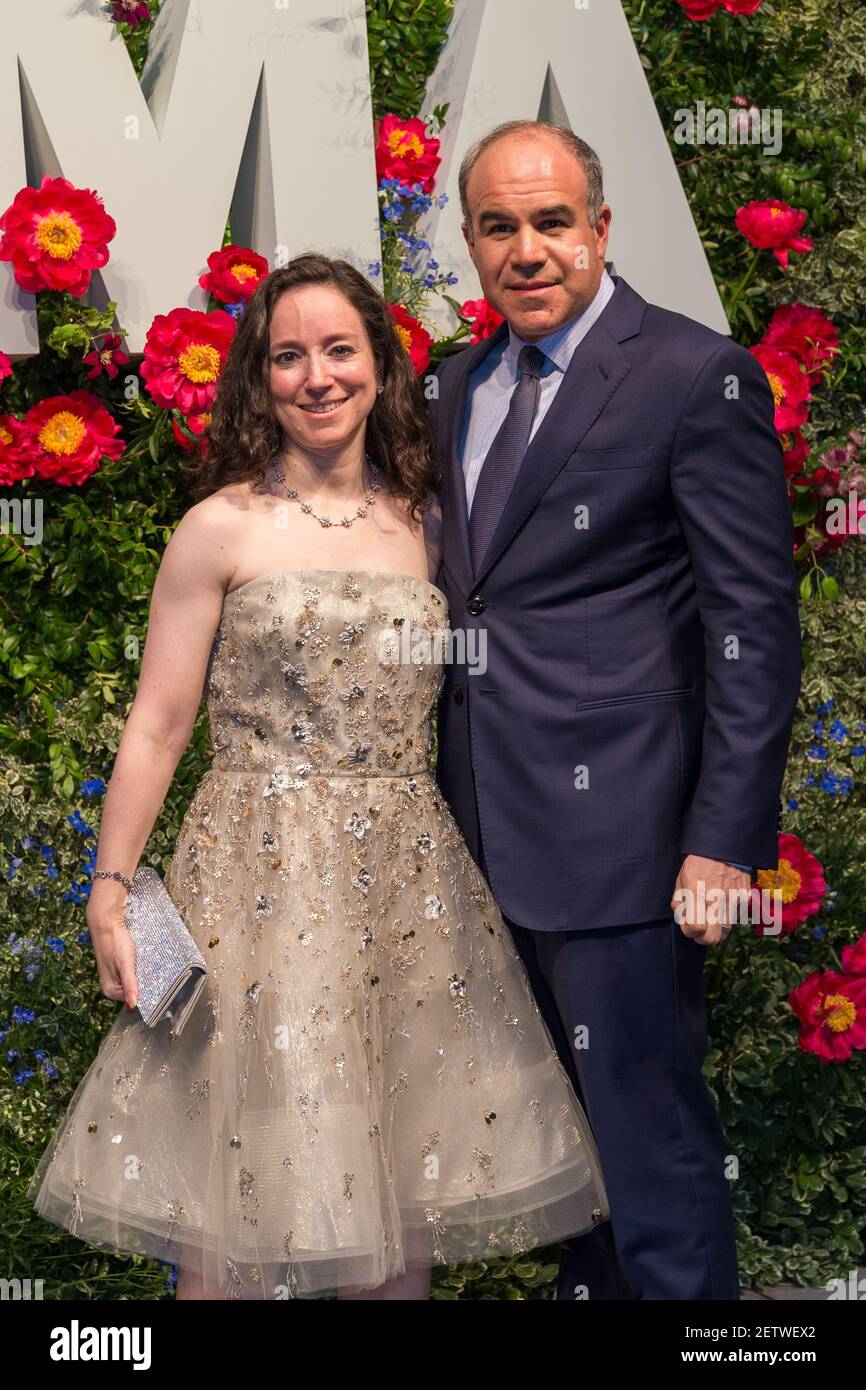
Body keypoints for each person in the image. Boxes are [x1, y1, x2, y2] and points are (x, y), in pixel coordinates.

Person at [27, 253, 610, 1301]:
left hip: (406, 889)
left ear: (380, 369)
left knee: (397, 1194)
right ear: (259, 379)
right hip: (247, 881)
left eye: (339, 350)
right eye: (288, 356)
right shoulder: (219, 527)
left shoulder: (431, 525)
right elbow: (157, 727)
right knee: (231, 1209)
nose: (316, 375)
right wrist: (110, 890)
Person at [430, 120, 802, 1300]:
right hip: (481, 833)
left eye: (550, 222)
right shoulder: (452, 386)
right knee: (563, 1171)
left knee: (651, 1159)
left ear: (600, 226)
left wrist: (722, 841)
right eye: (499, 226)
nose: (526, 250)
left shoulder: (696, 374)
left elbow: (751, 627)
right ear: (470, 242)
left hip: (629, 842)